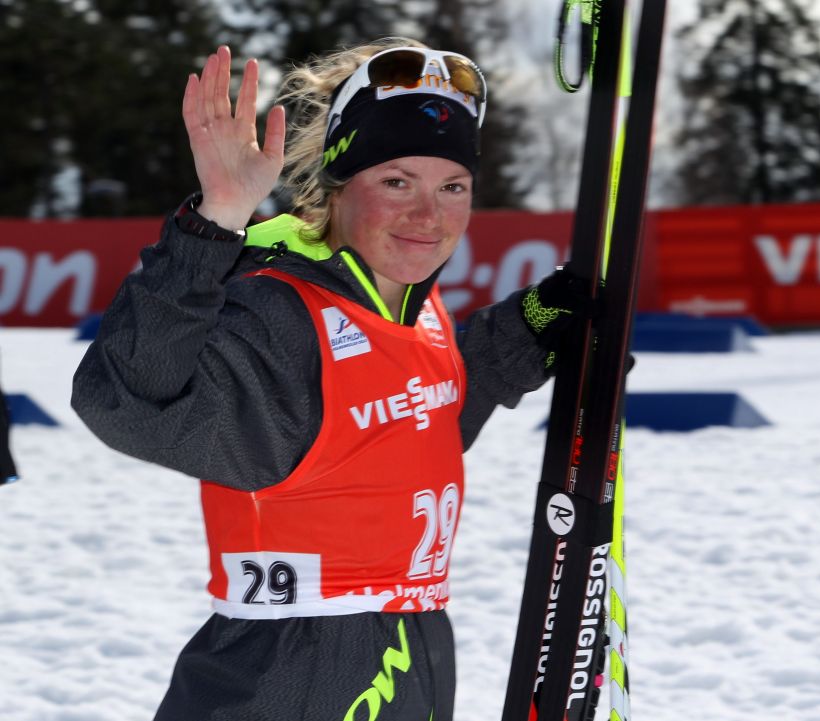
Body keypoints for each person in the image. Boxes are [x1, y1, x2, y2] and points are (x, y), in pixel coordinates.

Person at [71, 39, 592, 720]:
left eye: (451, 187)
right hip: (291, 665)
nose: (428, 216)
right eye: (397, 182)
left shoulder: (409, 306)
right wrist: (215, 220)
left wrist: (529, 327)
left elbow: (411, 420)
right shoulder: (278, 310)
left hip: (406, 646)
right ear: (339, 187)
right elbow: (126, 399)